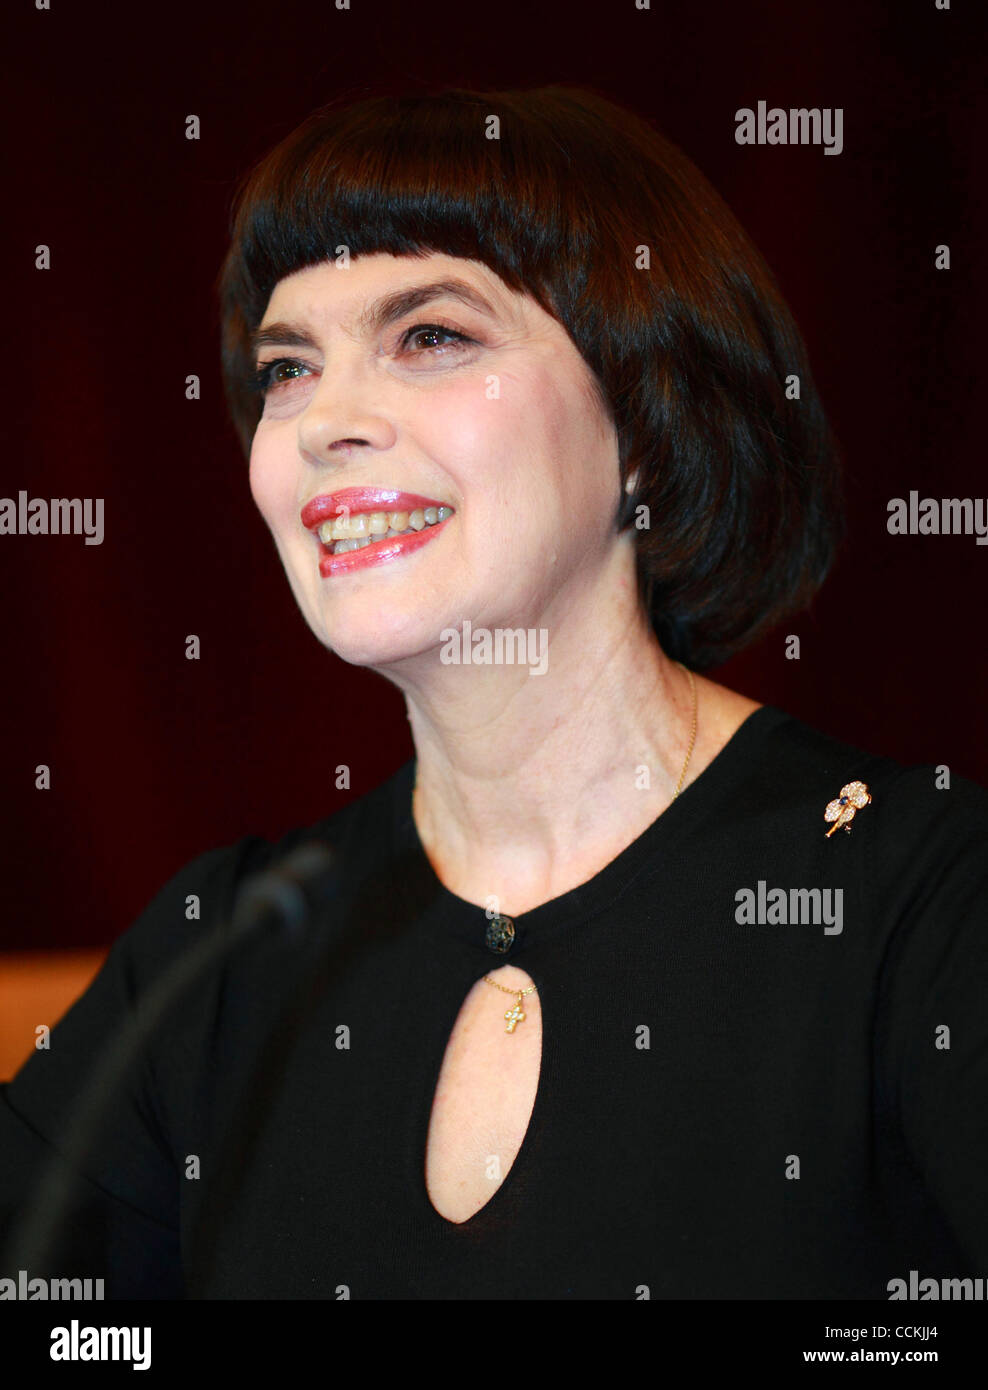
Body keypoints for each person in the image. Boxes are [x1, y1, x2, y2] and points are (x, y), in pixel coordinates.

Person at [1, 84, 985, 1300]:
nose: (325, 423)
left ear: (645, 421)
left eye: (430, 336)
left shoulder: (925, 904)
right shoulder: (217, 955)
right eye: (288, 367)